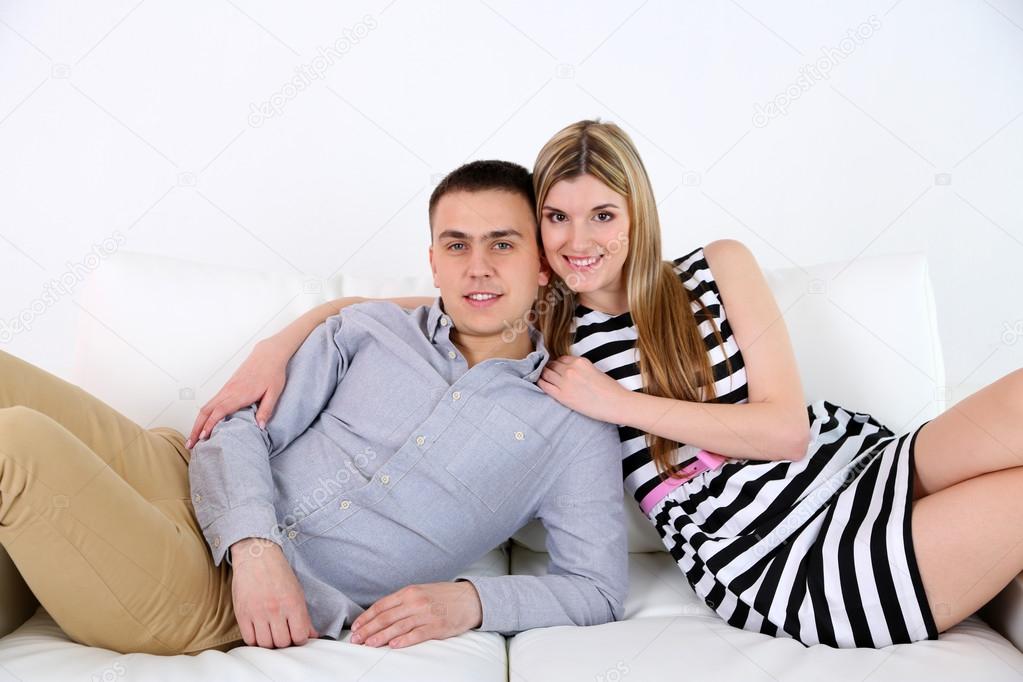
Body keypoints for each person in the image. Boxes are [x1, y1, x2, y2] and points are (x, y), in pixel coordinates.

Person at [191, 119, 1023, 649]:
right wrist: (280, 340)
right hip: (776, 554)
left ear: (637, 213)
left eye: (602, 215)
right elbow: (390, 302)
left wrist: (617, 402)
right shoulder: (545, 324)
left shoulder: (716, 269)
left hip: (856, 466)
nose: (579, 239)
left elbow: (785, 431)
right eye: (556, 218)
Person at [0, 159, 627, 655]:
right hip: (179, 480)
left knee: (15, 443)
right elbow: (241, 429)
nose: (478, 268)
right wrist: (255, 547)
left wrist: (471, 602)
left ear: (544, 265)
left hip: (208, 592)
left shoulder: (571, 424)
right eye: (457, 246)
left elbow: (596, 588)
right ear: (432, 261)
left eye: (503, 245)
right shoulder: (370, 330)